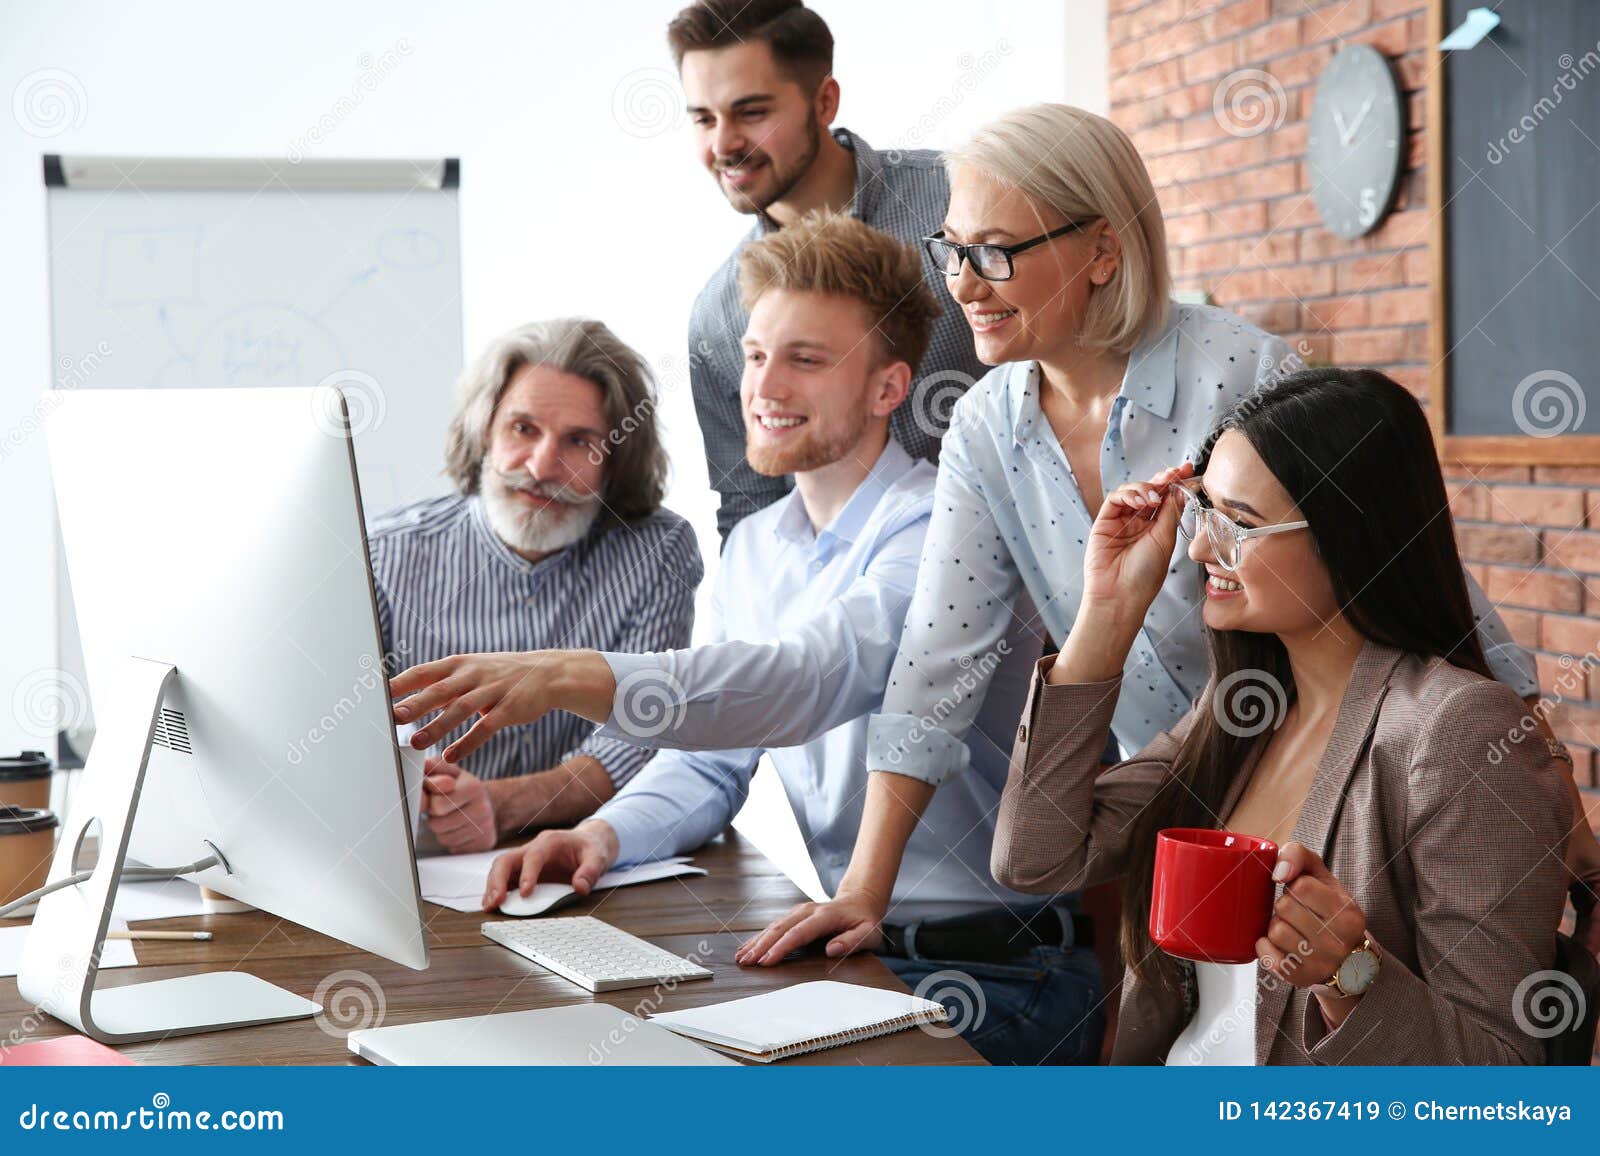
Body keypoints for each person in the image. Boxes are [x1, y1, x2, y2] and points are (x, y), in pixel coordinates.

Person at [749, 105, 1543, 996]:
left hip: (1338, 787)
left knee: (1355, 1026)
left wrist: (1545, 810)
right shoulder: (984, 425)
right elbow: (938, 664)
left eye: (997, 251)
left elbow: (1409, 567)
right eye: (953, 249)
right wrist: (864, 891)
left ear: (1101, 249)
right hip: (1180, 794)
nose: (964, 286)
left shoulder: (1246, 375)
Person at [390, 214, 1104, 1065]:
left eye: (806, 359)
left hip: (998, 970)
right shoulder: (758, 545)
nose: (764, 385)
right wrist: (601, 838)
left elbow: (803, 680)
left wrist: (568, 675)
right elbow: (710, 759)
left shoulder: (941, 529)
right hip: (861, 950)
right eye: (758, 354)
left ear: (887, 389)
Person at [992, 367, 1576, 1065]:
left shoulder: (1455, 731)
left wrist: (1348, 975)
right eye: (1201, 509)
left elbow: (1502, 1081)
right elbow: (1035, 857)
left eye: (1238, 523)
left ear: (1347, 532)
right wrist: (1108, 613)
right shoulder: (1244, 706)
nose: (1203, 547)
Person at [367, 319, 702, 854]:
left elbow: (646, 731)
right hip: (416, 861)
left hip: (589, 860)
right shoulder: (385, 554)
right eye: (523, 429)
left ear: (617, 460)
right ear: (484, 431)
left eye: (579, 441)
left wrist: (502, 803)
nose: (543, 467)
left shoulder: (658, 553)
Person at [669, 0, 986, 540]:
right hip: (842, 614)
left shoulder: (958, 201)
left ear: (824, 101)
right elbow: (750, 507)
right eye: (703, 118)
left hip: (1029, 597)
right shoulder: (719, 316)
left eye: (751, 113)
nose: (722, 144)